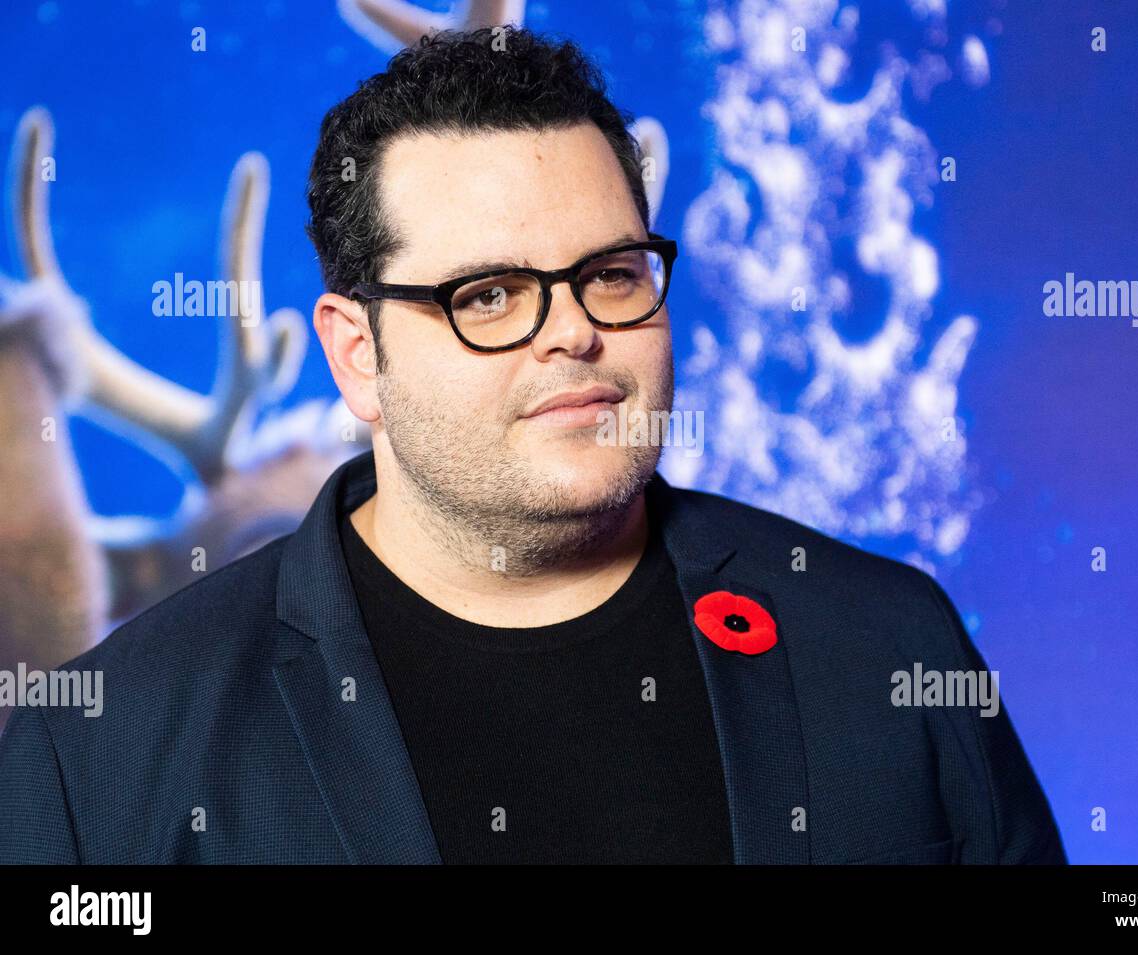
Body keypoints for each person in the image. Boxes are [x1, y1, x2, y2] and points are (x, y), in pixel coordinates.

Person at [0, 26, 1065, 864]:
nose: (574, 329)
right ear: (357, 354)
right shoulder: (103, 752)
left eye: (612, 272)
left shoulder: (888, 645)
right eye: (489, 294)